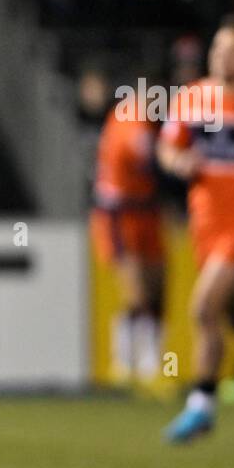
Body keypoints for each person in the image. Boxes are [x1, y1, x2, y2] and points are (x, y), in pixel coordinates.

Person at [160, 17, 234, 441]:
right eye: (218, 50)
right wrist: (178, 162)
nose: (223, 59)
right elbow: (168, 146)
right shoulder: (192, 98)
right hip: (207, 226)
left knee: (204, 308)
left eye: (233, 51)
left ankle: (202, 404)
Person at [90, 84, 164, 384]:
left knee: (155, 288)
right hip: (121, 213)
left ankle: (149, 364)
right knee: (137, 292)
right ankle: (128, 363)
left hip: (145, 211)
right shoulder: (131, 120)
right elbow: (149, 162)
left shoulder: (130, 119)